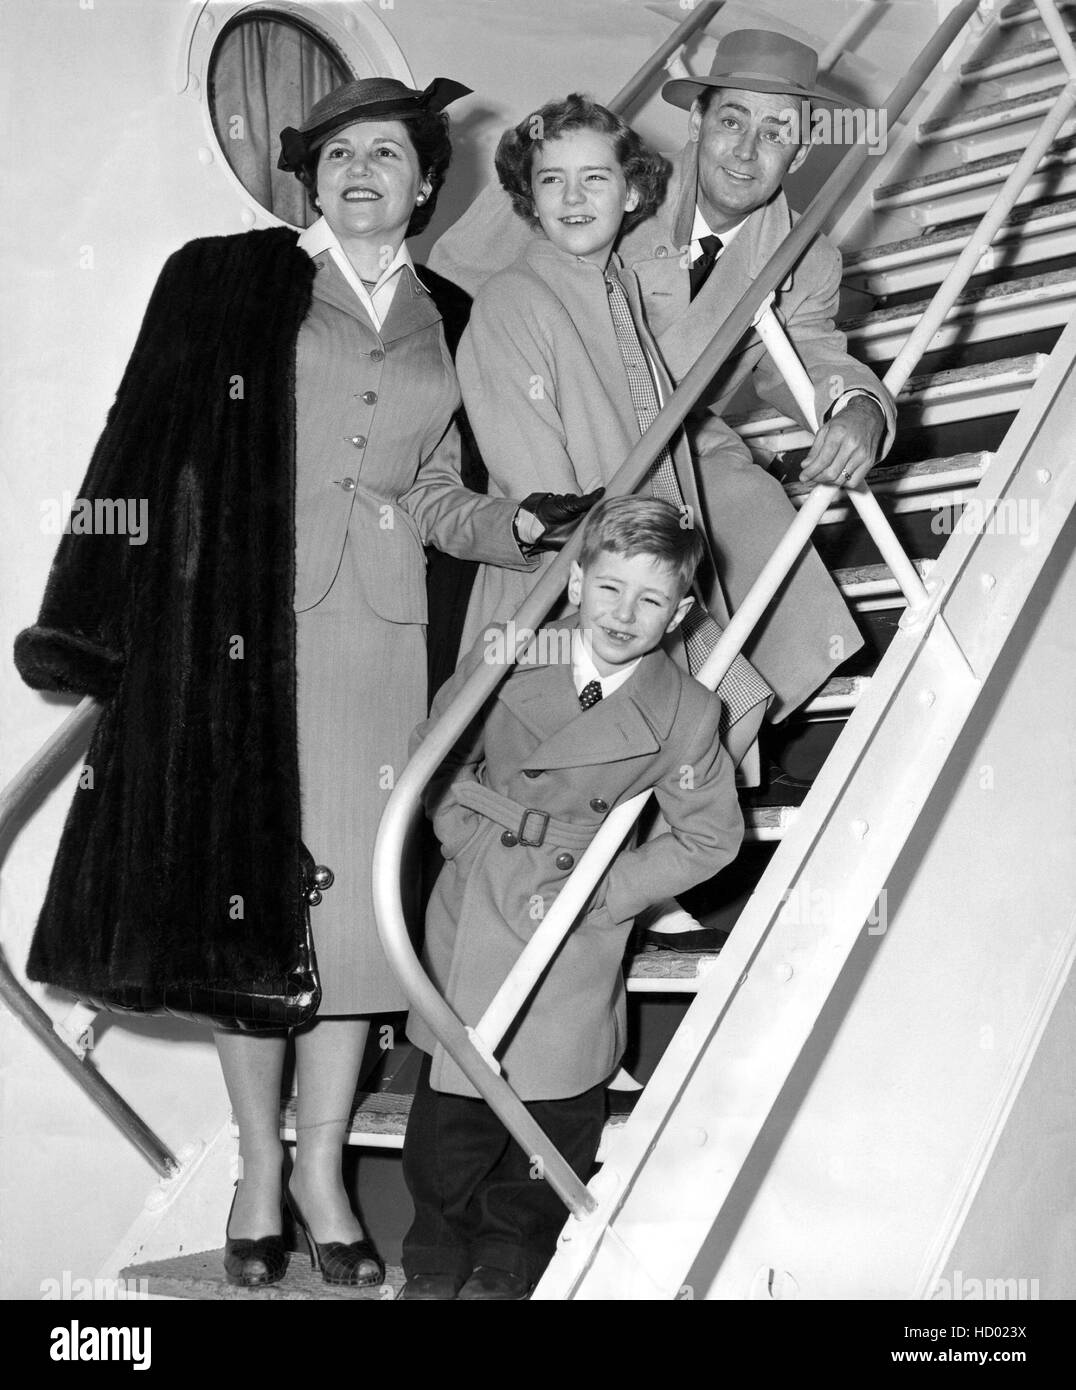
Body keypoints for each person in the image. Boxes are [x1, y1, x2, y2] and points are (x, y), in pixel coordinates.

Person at [13, 75, 591, 1290]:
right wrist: (86, 623)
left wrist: (523, 528)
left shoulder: (452, 308)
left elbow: (437, 493)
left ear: (429, 181)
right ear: (310, 174)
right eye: (338, 153)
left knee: (351, 927)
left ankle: (322, 1170)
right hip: (240, 638)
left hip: (384, 653)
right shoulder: (221, 279)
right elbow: (135, 441)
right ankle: (258, 1174)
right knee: (247, 900)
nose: (361, 170)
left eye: (388, 152)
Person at [431, 28, 898, 723]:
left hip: (678, 442)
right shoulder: (609, 177)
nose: (747, 150)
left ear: (799, 152)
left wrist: (859, 404)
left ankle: (727, 729)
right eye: (732, 120)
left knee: (751, 506)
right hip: (553, 416)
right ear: (698, 121)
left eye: (775, 132)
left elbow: (813, 354)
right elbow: (459, 275)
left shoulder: (809, 257)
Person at [398, 497, 745, 1300]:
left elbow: (710, 837)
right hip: (482, 890)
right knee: (453, 1100)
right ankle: (434, 1253)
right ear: (578, 580)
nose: (626, 614)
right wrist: (464, 835)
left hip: (577, 914)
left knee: (554, 1096)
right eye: (612, 588)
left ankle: (510, 1255)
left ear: (682, 612)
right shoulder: (513, 652)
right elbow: (433, 749)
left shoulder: (689, 713)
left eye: (652, 600)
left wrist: (603, 896)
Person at [455, 93, 773, 777]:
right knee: (554, 809)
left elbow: (660, 429)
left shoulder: (615, 289)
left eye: (594, 178)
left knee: (735, 703)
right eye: (551, 180)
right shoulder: (512, 299)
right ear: (528, 198)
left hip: (641, 580)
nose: (573, 197)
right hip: (570, 599)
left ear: (632, 194)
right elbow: (540, 492)